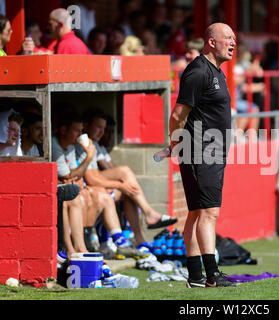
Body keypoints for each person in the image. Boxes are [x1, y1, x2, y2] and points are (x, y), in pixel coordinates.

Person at [169, 23, 237, 288]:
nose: (233, 43)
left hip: (212, 150)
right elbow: (177, 115)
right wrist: (176, 143)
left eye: (234, 39)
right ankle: (212, 275)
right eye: (228, 38)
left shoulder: (216, 71)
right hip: (200, 151)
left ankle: (196, 276)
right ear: (211, 41)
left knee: (197, 212)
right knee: (208, 212)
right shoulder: (198, 71)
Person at [78, 108, 177, 254]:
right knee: (124, 176)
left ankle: (139, 239)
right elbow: (92, 178)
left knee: (127, 189)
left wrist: (123, 184)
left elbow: (109, 169)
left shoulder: (96, 145)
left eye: (104, 129)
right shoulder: (82, 144)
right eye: (98, 127)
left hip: (96, 188)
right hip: (86, 191)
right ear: (85, 126)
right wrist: (120, 184)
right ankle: (146, 215)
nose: (102, 132)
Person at [52, 112, 145, 259]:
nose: (79, 134)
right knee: (84, 197)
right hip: (55, 193)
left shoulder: (71, 147)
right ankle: (78, 247)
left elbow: (75, 175)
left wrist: (75, 176)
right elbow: (71, 176)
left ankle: (116, 242)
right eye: (77, 130)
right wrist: (88, 157)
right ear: (64, 130)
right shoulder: (56, 145)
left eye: (81, 131)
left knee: (101, 195)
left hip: (75, 187)